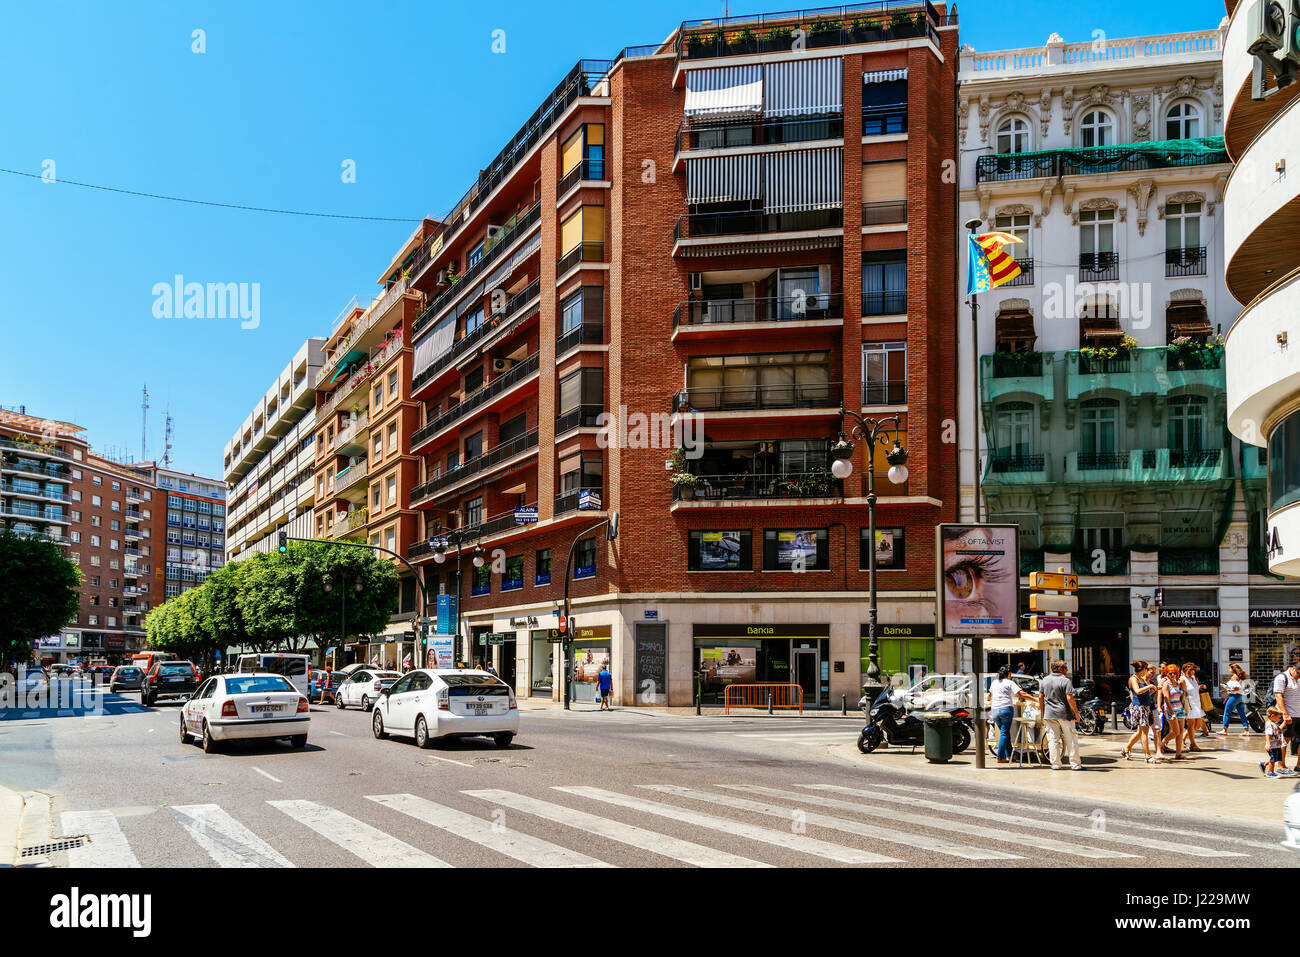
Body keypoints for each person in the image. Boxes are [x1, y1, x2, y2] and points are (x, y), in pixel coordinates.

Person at [987, 665, 1036, 764]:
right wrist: (1036, 699)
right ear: (1009, 674)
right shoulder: (1009, 682)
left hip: (995, 710)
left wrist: (991, 699)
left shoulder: (994, 682)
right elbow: (1022, 694)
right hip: (1006, 710)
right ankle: (1000, 757)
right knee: (1004, 733)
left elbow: (989, 696)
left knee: (1005, 733)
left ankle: (1009, 756)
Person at [1039, 661, 1082, 770]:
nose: (1067, 670)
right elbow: (1070, 698)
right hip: (1065, 714)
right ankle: (1075, 765)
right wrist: (1076, 713)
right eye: (1065, 668)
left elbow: (1040, 697)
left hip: (1049, 715)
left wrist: (1043, 713)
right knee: (1071, 739)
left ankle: (1056, 764)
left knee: (1052, 740)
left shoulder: (1045, 680)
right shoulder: (1066, 681)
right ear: (1059, 668)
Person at [1122, 659, 1159, 763]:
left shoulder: (1142, 679)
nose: (1147, 671)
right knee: (1144, 732)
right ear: (1142, 669)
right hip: (1139, 707)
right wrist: (1150, 686)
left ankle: (1127, 749)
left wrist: (1153, 690)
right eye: (1146, 669)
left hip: (1145, 707)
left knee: (1140, 732)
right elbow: (1137, 691)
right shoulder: (1134, 679)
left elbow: (1145, 694)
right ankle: (1147, 755)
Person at [1273, 660, 1300, 767]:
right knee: (1284, 741)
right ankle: (1281, 766)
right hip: (1288, 715)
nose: (1299, 677)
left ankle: (1298, 766)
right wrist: (1285, 714)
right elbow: (1278, 696)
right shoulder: (1281, 678)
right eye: (1298, 674)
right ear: (1293, 668)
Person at [1159, 664, 1187, 760]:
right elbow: (1166, 700)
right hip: (1170, 709)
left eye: (1174, 673)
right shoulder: (1166, 684)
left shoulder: (1178, 683)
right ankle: (1161, 744)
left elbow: (1184, 694)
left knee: (1180, 732)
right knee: (1175, 731)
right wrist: (1172, 712)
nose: (1172, 675)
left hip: (1180, 708)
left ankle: (1178, 754)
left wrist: (1183, 685)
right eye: (1170, 673)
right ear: (1167, 674)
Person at [1180, 662, 1205, 752]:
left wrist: (1200, 686)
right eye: (1189, 670)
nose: (1191, 672)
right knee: (1191, 725)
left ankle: (1183, 738)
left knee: (1198, 724)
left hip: (1197, 703)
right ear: (1184, 671)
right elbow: (1183, 693)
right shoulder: (1182, 679)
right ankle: (1193, 744)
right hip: (1189, 704)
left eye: (1192, 670)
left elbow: (1194, 689)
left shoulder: (1194, 678)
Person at [1220, 663, 1250, 735]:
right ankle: (1246, 731)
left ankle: (1224, 730)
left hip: (1234, 697)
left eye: (1230, 668)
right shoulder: (1240, 676)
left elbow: (1237, 687)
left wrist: (1230, 690)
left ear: (1233, 669)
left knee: (1227, 712)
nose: (1229, 670)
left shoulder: (1234, 676)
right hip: (1241, 696)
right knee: (1242, 714)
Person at [1262, 707, 1289, 778]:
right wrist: (1268, 744)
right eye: (1279, 717)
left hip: (1276, 745)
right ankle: (1270, 773)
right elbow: (1267, 734)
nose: (1279, 719)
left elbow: (1279, 728)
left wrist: (1285, 722)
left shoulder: (1274, 723)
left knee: (1275, 758)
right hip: (1272, 745)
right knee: (1273, 759)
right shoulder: (1269, 725)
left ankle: (1264, 764)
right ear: (1272, 716)